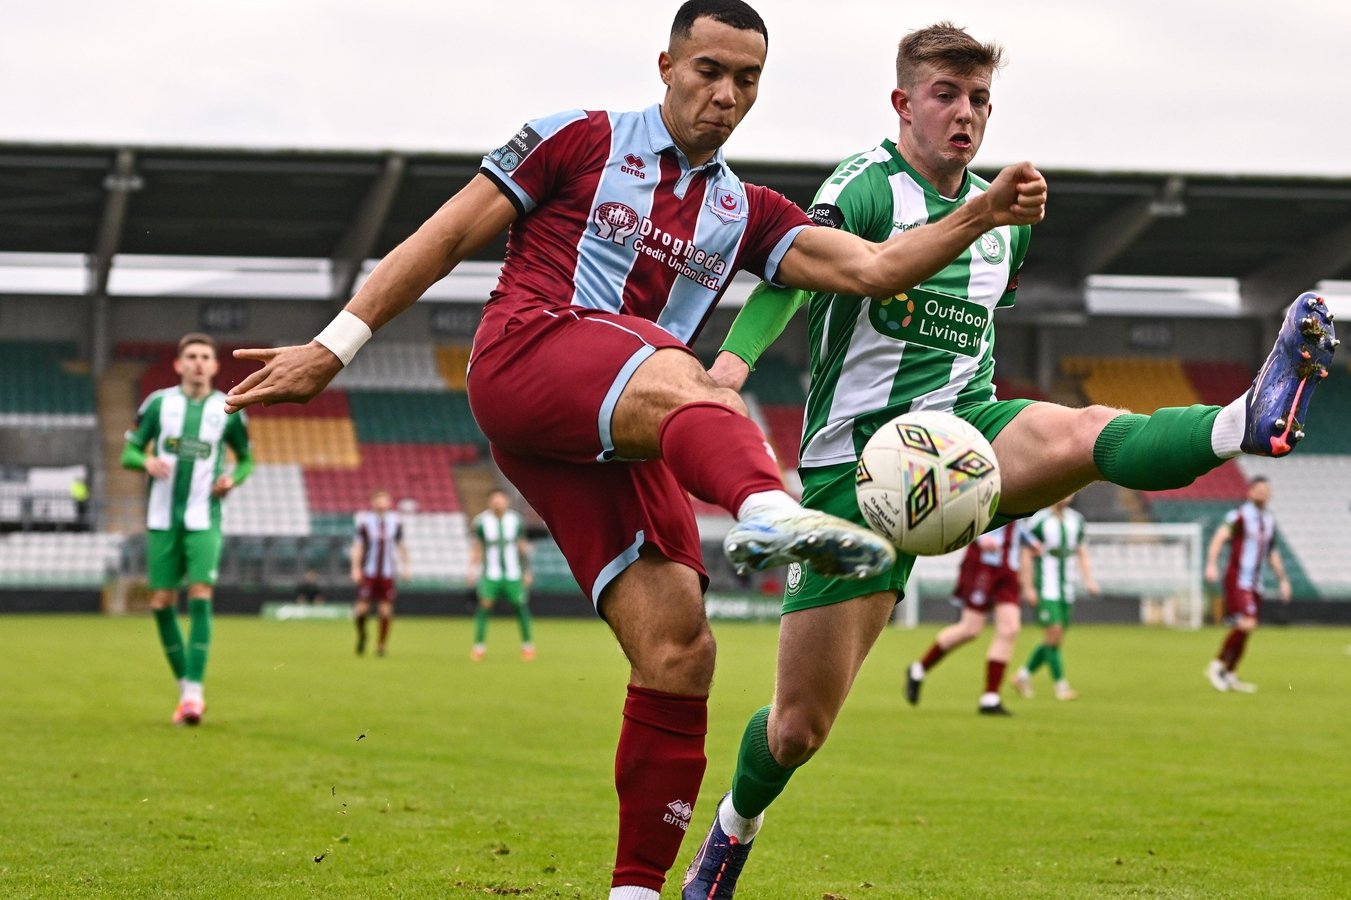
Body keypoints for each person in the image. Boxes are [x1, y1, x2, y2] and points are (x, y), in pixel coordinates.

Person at [222, 4, 1049, 896]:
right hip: (528, 355)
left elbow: (873, 269)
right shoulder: (576, 138)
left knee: (681, 652)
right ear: (666, 64)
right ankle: (772, 514)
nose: (725, 95)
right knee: (686, 371)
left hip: (611, 435)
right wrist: (334, 346)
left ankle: (636, 889)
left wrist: (983, 213)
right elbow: (448, 233)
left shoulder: (746, 211)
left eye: (747, 80)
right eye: (708, 71)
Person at [685, 23, 1336, 897]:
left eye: (980, 99)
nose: (966, 115)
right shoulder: (868, 185)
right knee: (799, 728)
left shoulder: (1007, 223)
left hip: (966, 435)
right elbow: (790, 272)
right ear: (903, 103)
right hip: (854, 476)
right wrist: (730, 367)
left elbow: (980, 321)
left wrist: (989, 240)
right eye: (946, 95)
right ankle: (732, 831)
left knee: (1085, 431)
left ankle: (1240, 422)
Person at [121, 332, 253, 726]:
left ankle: (194, 692)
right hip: (162, 519)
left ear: (214, 366)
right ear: (179, 364)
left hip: (204, 517)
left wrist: (233, 479)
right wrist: (144, 462)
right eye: (191, 356)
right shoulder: (160, 404)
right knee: (161, 602)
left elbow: (246, 458)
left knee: (200, 592)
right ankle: (186, 689)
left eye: (205, 357)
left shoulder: (228, 408)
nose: (198, 362)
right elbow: (129, 449)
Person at [903, 521, 1036, 715]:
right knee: (970, 629)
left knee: (1010, 629)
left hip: (1009, 566)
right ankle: (918, 668)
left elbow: (1018, 519)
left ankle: (990, 698)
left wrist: (1030, 541)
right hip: (984, 561)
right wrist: (980, 537)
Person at [1202, 477, 1290, 693]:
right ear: (1250, 492)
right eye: (1258, 490)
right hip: (1238, 578)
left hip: (1255, 582)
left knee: (1247, 628)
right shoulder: (1238, 516)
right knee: (1247, 623)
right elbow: (1219, 538)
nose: (1262, 494)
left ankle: (1230, 673)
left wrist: (1283, 579)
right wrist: (1211, 564)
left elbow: (1271, 552)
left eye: (1266, 490)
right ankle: (1217, 666)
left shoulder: (1269, 520)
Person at [1013, 497, 1098, 702]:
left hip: (1066, 588)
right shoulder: (1039, 520)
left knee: (1054, 639)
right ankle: (1061, 686)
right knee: (1054, 631)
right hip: (1046, 588)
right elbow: (1026, 553)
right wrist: (1029, 586)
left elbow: (1081, 552)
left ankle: (1022, 676)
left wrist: (1089, 580)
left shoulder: (1076, 520)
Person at [469, 488, 536, 661]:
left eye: (500, 500)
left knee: (520, 607)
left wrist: (527, 570)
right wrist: (472, 569)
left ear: (506, 501)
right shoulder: (481, 522)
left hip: (513, 574)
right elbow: (477, 546)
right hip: (490, 574)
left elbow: (521, 546)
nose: (497, 503)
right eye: (494, 500)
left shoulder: (515, 521)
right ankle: (479, 647)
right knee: (484, 607)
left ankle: (528, 646)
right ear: (489, 502)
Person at [351, 489, 408, 657]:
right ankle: (362, 635)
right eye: (380, 500)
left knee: (386, 611)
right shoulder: (365, 522)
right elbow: (358, 546)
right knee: (361, 610)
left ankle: (381, 645)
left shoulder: (395, 522)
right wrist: (355, 568)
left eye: (386, 500)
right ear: (373, 502)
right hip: (369, 572)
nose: (383, 504)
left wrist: (406, 567)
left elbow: (401, 545)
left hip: (387, 573)